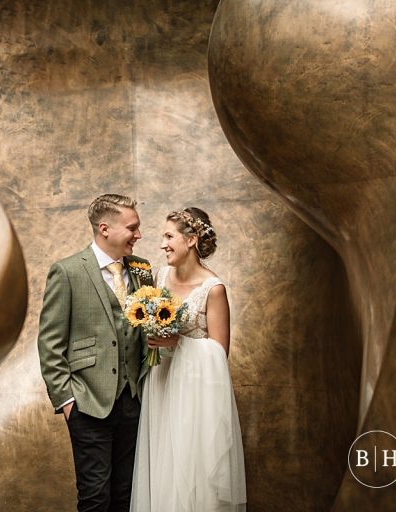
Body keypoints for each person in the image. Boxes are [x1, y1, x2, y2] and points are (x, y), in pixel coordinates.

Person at [38, 194, 153, 512]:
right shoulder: (68, 272)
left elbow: (147, 333)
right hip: (88, 404)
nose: (139, 235)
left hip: (133, 400)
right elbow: (50, 344)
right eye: (133, 228)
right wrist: (67, 403)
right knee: (94, 496)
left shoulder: (142, 271)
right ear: (105, 228)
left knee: (127, 495)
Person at [130, 207, 246, 511]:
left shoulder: (213, 288)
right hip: (162, 383)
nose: (162, 244)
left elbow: (219, 352)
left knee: (192, 470)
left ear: (191, 239)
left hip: (196, 395)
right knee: (163, 466)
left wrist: (178, 341)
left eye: (169, 236)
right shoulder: (159, 276)